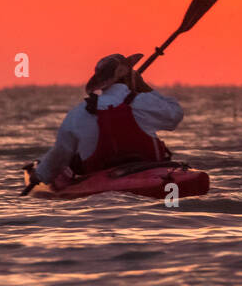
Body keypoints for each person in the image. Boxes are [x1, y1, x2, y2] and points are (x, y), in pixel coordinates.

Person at [26, 53, 184, 189]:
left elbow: (60, 154)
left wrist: (38, 175)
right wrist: (144, 87)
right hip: (149, 176)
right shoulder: (143, 101)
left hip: (102, 191)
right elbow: (175, 116)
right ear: (130, 77)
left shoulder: (79, 113)